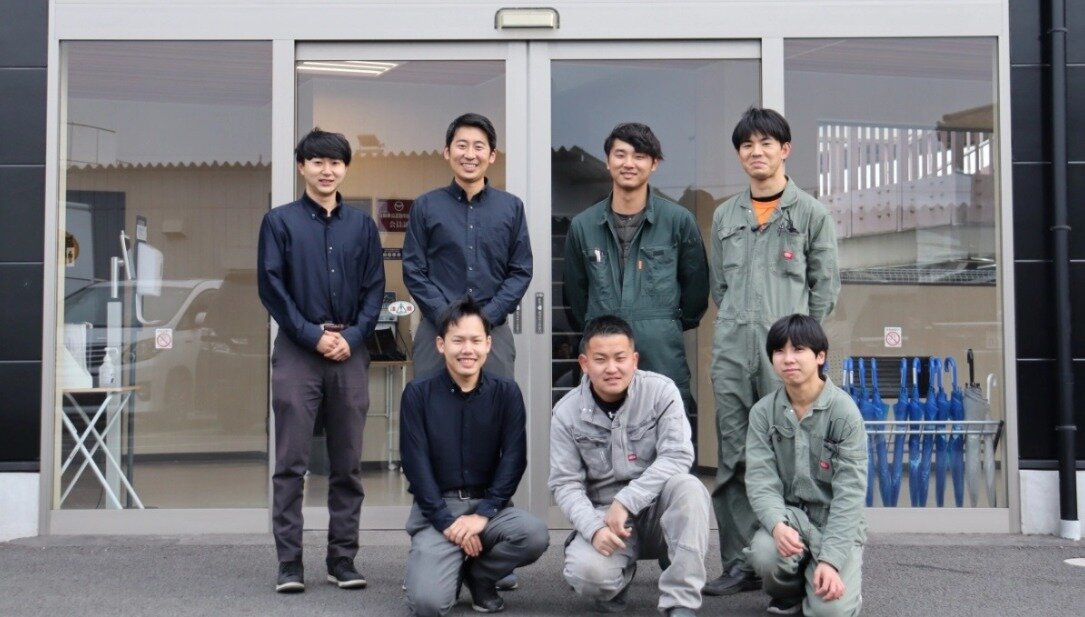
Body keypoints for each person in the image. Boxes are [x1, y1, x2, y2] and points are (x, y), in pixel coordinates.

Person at [706, 107, 841, 597]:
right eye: (747, 145)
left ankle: (794, 556)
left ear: (785, 150)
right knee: (734, 455)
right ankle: (740, 562)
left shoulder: (810, 214)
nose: (756, 152)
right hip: (732, 351)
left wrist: (799, 343)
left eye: (766, 143)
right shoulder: (725, 215)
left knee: (792, 454)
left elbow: (825, 289)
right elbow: (720, 286)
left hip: (787, 356)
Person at [257, 128, 386, 593]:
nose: (326, 170)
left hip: (350, 350)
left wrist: (352, 336)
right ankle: (289, 563)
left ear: (345, 168)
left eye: (335, 162)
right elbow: (272, 288)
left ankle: (342, 559)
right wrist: (314, 336)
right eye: (317, 162)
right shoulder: (279, 222)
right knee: (291, 463)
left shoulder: (362, 227)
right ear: (302, 167)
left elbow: (375, 288)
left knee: (347, 464)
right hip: (298, 351)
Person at [550, 315, 711, 617]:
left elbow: (677, 455)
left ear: (634, 360)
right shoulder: (566, 412)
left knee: (689, 488)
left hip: (657, 509)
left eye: (620, 358)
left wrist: (626, 501)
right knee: (588, 575)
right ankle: (615, 579)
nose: (612, 368)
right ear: (584, 363)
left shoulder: (661, 392)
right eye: (601, 359)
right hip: (604, 517)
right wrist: (594, 529)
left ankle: (681, 602)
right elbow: (565, 484)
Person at [400, 297, 549, 616]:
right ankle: (446, 562)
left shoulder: (506, 392)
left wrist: (484, 513)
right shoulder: (418, 394)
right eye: (458, 340)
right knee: (428, 605)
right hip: (438, 508)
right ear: (441, 345)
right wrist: (446, 522)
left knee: (533, 534)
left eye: (475, 340)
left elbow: (514, 458)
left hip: (490, 509)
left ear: (488, 345)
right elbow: (416, 465)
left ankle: (479, 575)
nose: (467, 349)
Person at [563, 122, 709, 441]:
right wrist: (599, 323)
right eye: (621, 154)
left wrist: (661, 324)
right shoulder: (583, 226)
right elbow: (575, 296)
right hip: (603, 353)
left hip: (661, 353)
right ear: (608, 160)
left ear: (654, 164)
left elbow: (696, 293)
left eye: (639, 156)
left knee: (669, 438)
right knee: (599, 439)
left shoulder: (678, 222)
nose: (629, 163)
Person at [744, 314, 866, 616]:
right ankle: (790, 594)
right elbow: (760, 481)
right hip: (790, 517)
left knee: (830, 611)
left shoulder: (844, 413)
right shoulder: (763, 413)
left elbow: (850, 495)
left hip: (832, 521)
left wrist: (831, 561)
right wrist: (776, 525)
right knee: (765, 552)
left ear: (820, 356)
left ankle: (829, 585)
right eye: (779, 351)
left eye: (798, 350)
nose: (788, 359)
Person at [403, 112, 533, 381]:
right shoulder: (425, 206)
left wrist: (486, 317)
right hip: (437, 331)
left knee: (497, 403)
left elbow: (520, 270)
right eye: (462, 145)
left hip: (493, 331)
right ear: (447, 152)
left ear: (492, 155)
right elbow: (413, 269)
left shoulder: (511, 208)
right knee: (430, 403)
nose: (470, 154)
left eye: (478, 146)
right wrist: (446, 317)